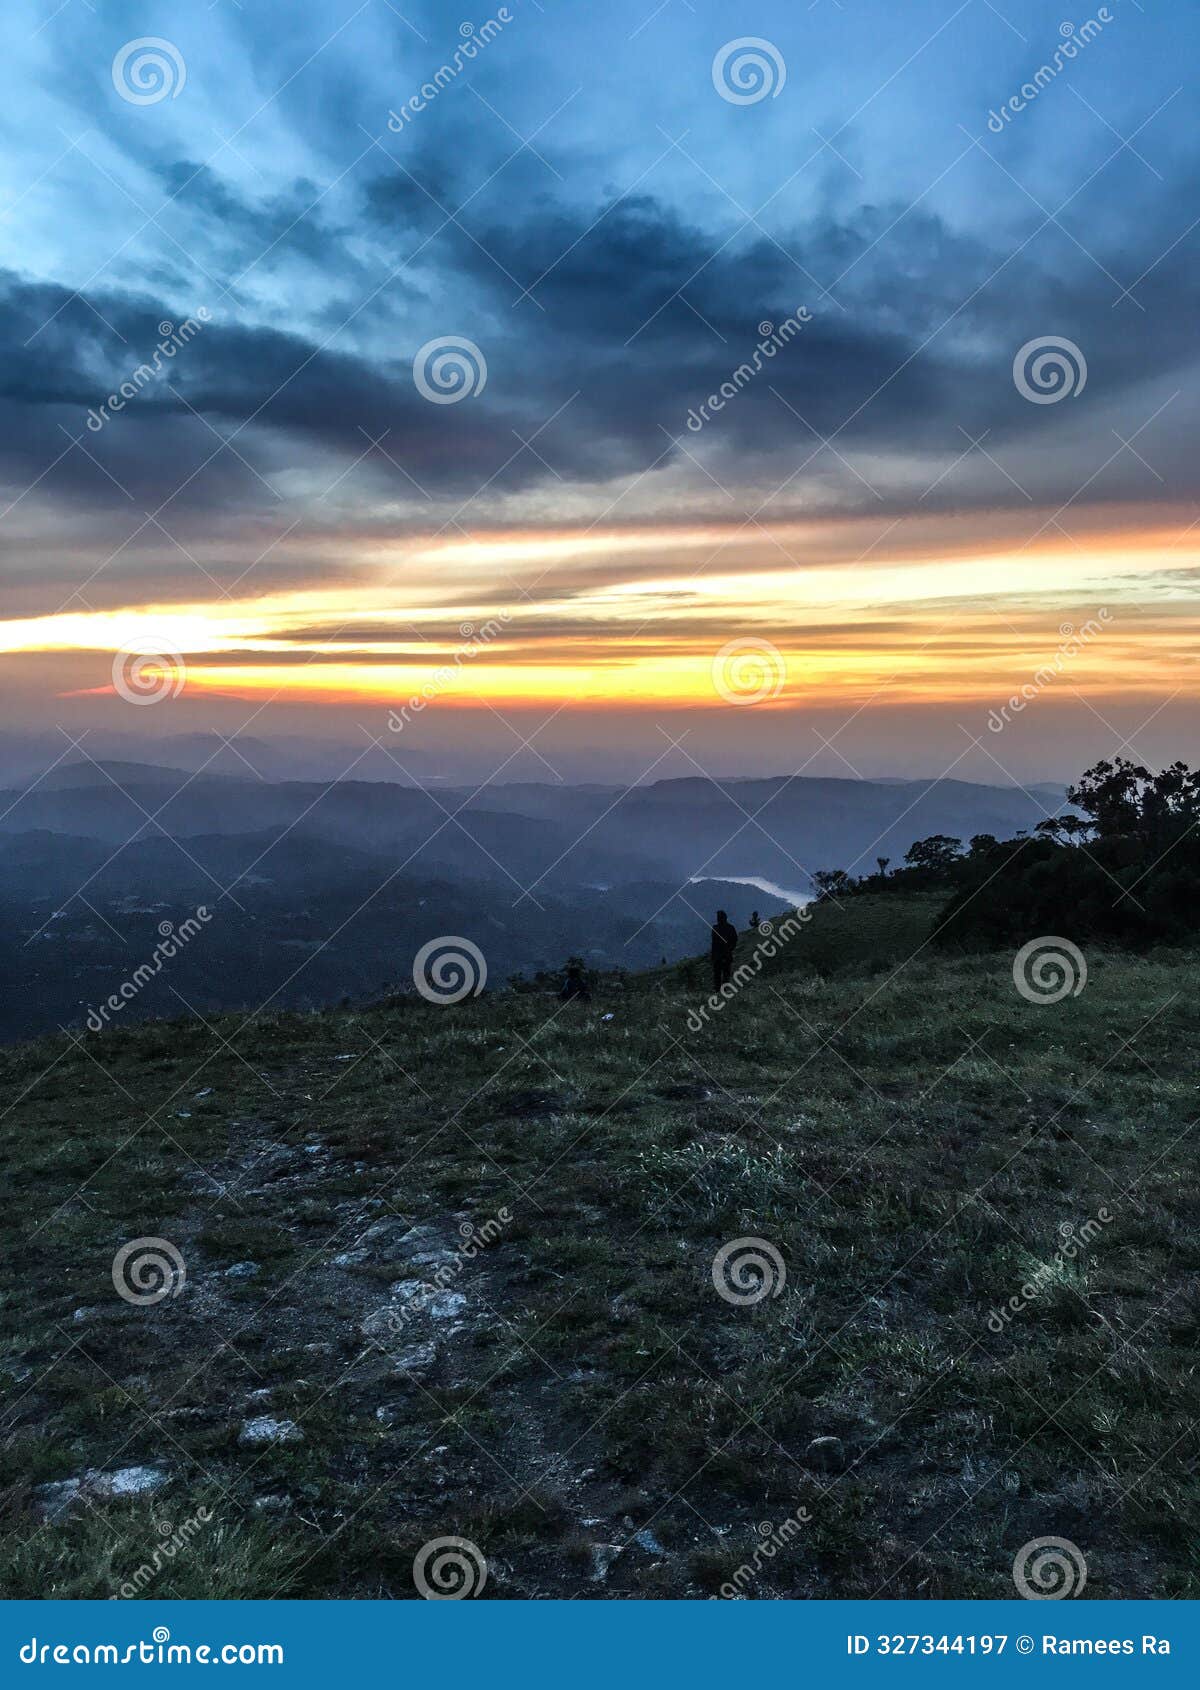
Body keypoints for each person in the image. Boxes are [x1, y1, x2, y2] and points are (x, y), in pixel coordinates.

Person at [710, 909, 737, 990]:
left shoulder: (715, 928)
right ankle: (723, 990)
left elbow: (714, 943)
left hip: (719, 955)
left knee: (719, 975)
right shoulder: (730, 928)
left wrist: (713, 955)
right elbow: (734, 940)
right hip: (725, 954)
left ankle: (718, 990)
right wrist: (730, 949)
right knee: (724, 975)